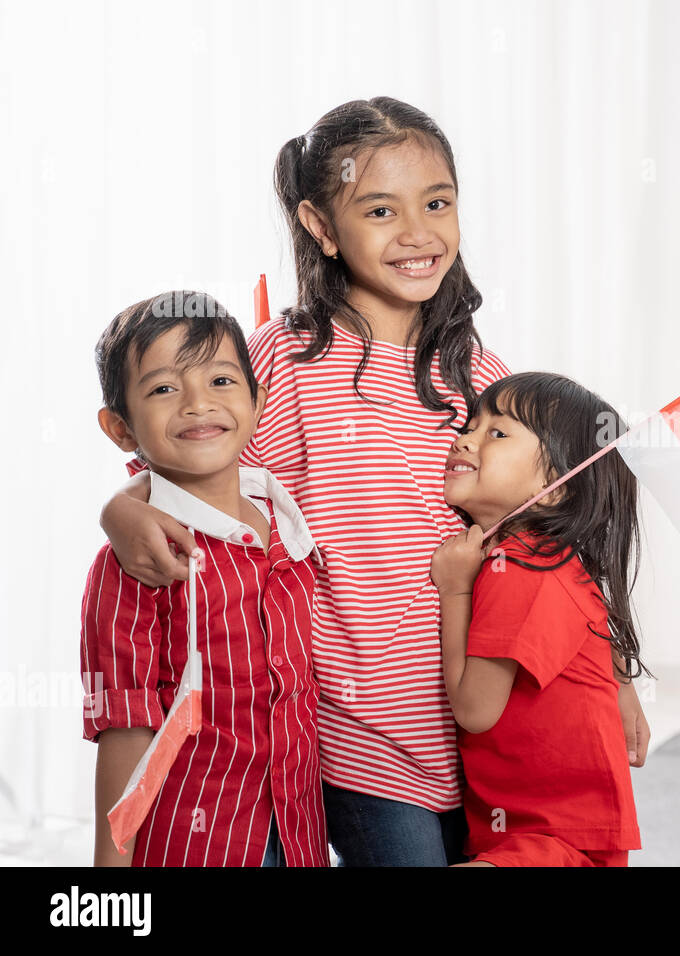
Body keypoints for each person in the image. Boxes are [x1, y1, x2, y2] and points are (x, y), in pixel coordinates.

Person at [97, 98, 651, 865]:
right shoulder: (283, 364)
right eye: (381, 210)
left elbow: (557, 535)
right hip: (357, 734)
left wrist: (613, 672)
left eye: (437, 203)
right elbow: (195, 473)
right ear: (322, 227)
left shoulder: (484, 383)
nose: (419, 232)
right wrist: (119, 512)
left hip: (479, 721)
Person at [83, 292, 327, 866]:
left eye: (220, 380)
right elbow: (125, 726)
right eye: (165, 389)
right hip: (197, 843)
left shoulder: (287, 524)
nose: (197, 404)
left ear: (257, 400)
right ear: (120, 428)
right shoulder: (138, 558)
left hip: (299, 836)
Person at [429, 372, 645, 866]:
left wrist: (455, 588)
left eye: (497, 433)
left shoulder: (521, 566)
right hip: (552, 828)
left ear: (552, 488)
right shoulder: (550, 558)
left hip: (551, 838)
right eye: (471, 425)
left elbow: (475, 710)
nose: (465, 438)